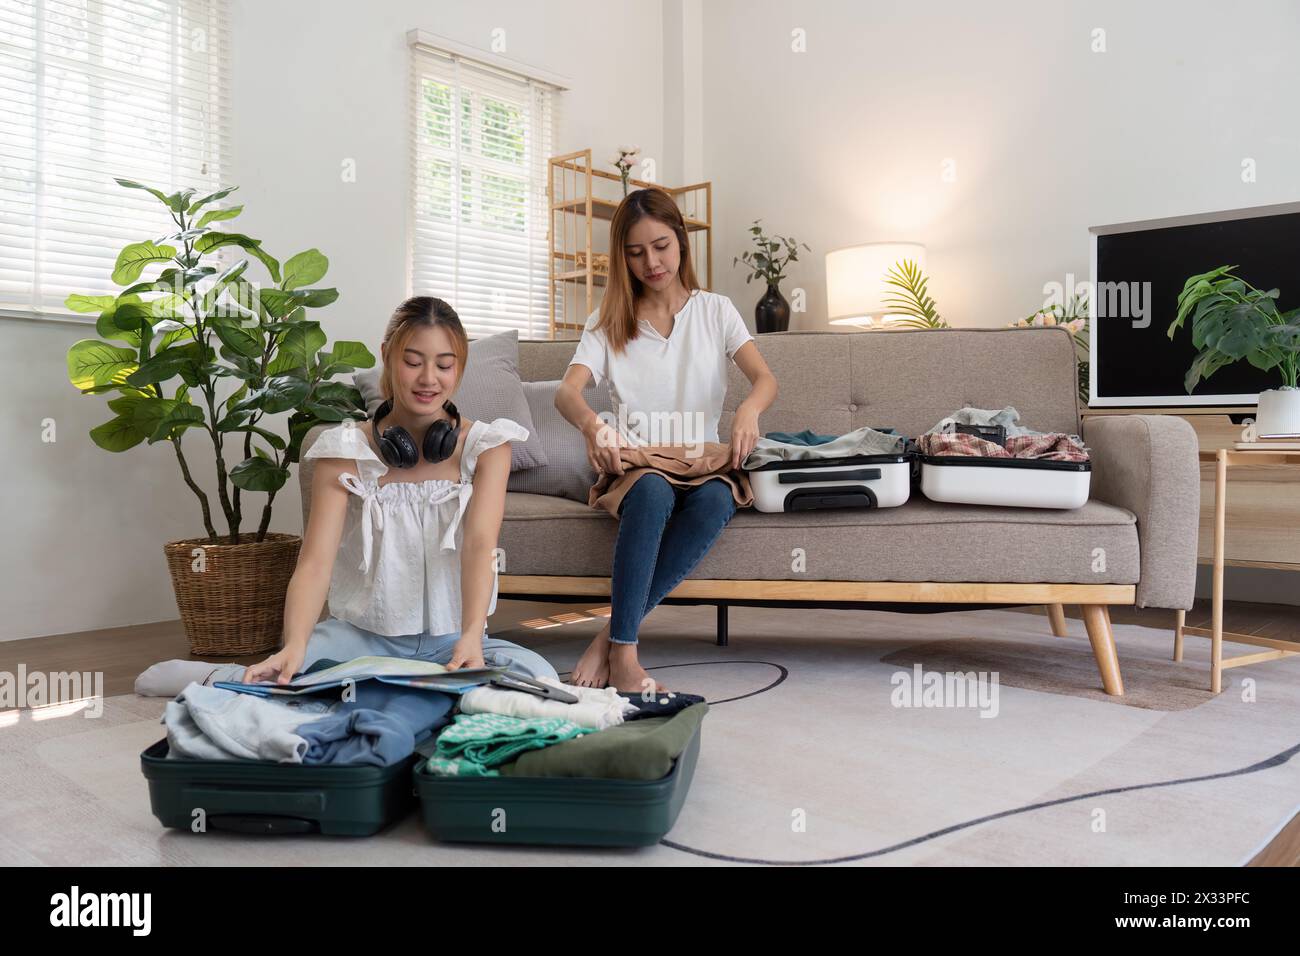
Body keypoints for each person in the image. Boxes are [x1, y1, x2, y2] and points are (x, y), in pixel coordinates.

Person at [135, 296, 555, 697]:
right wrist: (295, 645)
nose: (429, 379)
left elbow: (481, 547)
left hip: (454, 638)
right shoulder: (344, 449)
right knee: (287, 675)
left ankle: (402, 683)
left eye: (445, 365)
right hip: (363, 637)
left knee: (542, 679)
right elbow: (316, 561)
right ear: (387, 354)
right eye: (413, 362)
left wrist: (469, 637)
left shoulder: (488, 446)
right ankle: (220, 677)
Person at [555, 187, 778, 693]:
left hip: (703, 461)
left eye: (660, 246)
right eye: (635, 252)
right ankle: (628, 655)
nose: (651, 261)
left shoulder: (716, 311)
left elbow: (765, 380)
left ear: (680, 241)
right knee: (653, 492)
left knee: (719, 499)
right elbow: (568, 393)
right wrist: (594, 425)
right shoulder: (608, 320)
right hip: (638, 463)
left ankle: (610, 637)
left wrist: (748, 408)